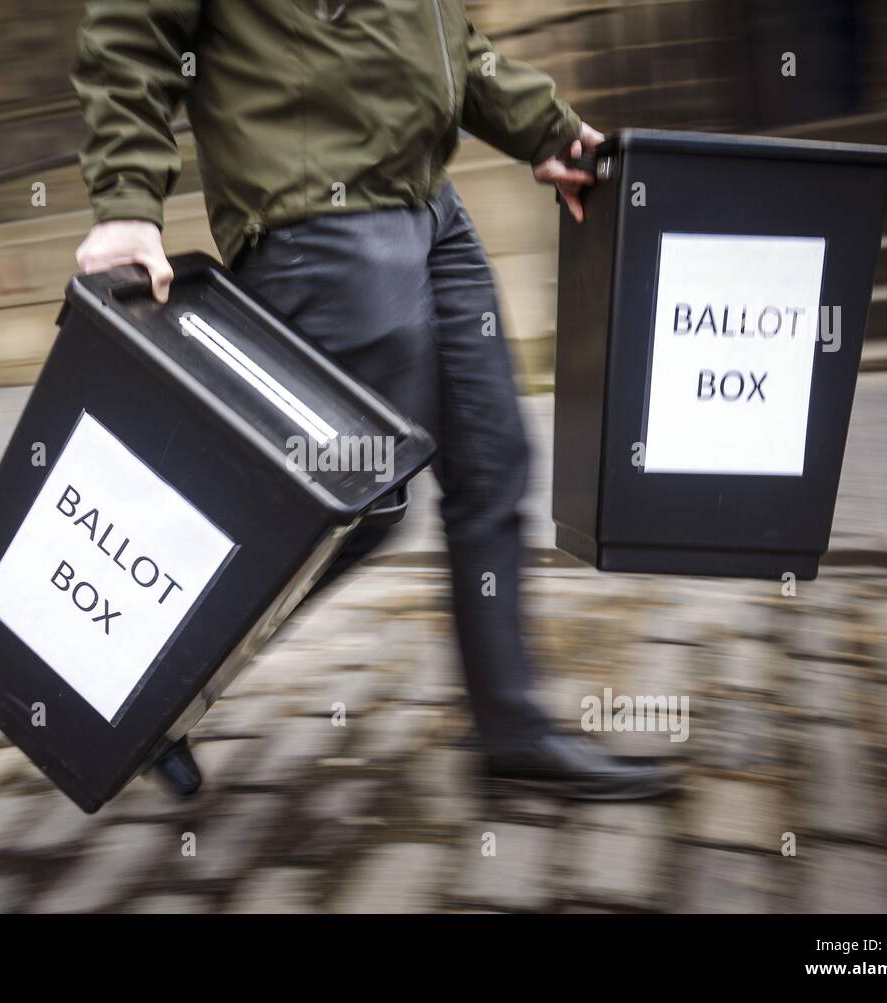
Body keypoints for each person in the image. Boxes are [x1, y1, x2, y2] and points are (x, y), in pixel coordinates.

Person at [71, 0, 674, 800]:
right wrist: (125, 198)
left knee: (494, 463)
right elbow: (133, 24)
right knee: (353, 501)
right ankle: (132, 685)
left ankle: (514, 732)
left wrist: (543, 127)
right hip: (316, 215)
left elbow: (442, 33)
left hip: (430, 202)